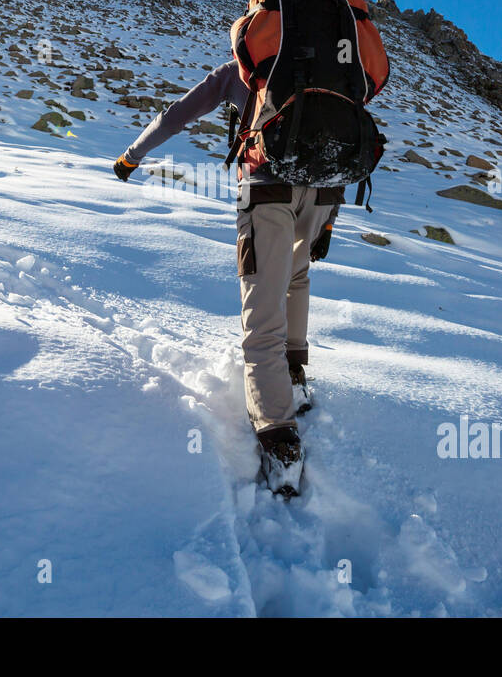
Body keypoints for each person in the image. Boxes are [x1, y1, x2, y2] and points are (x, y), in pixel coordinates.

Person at [112, 59, 342, 497]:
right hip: (325, 189)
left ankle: (279, 440)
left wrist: (132, 156)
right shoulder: (336, 54)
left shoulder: (248, 61)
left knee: (261, 313)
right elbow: (342, 127)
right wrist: (329, 220)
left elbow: (177, 114)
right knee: (296, 277)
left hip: (268, 185)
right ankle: (293, 378)